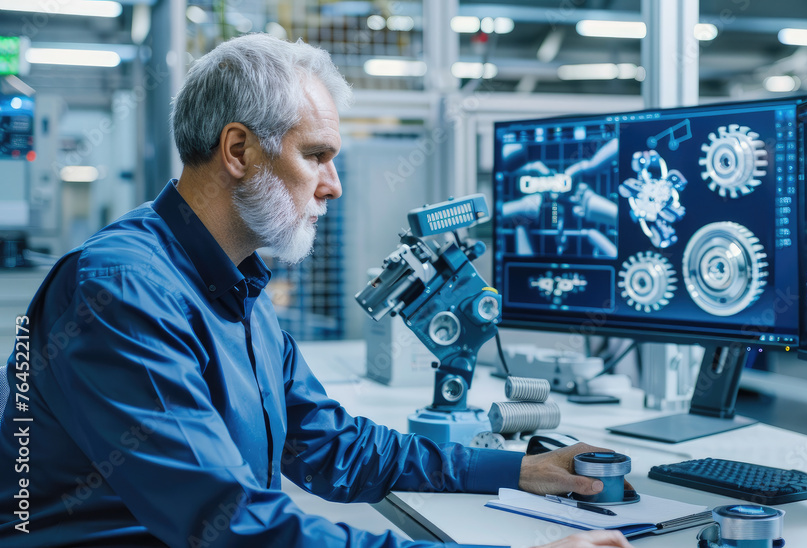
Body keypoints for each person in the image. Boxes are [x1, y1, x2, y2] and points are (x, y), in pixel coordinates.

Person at [0, 34, 633, 548]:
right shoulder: (121, 293)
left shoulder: (239, 288)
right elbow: (230, 524)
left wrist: (516, 470)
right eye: (316, 156)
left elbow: (333, 447)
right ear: (239, 150)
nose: (332, 185)